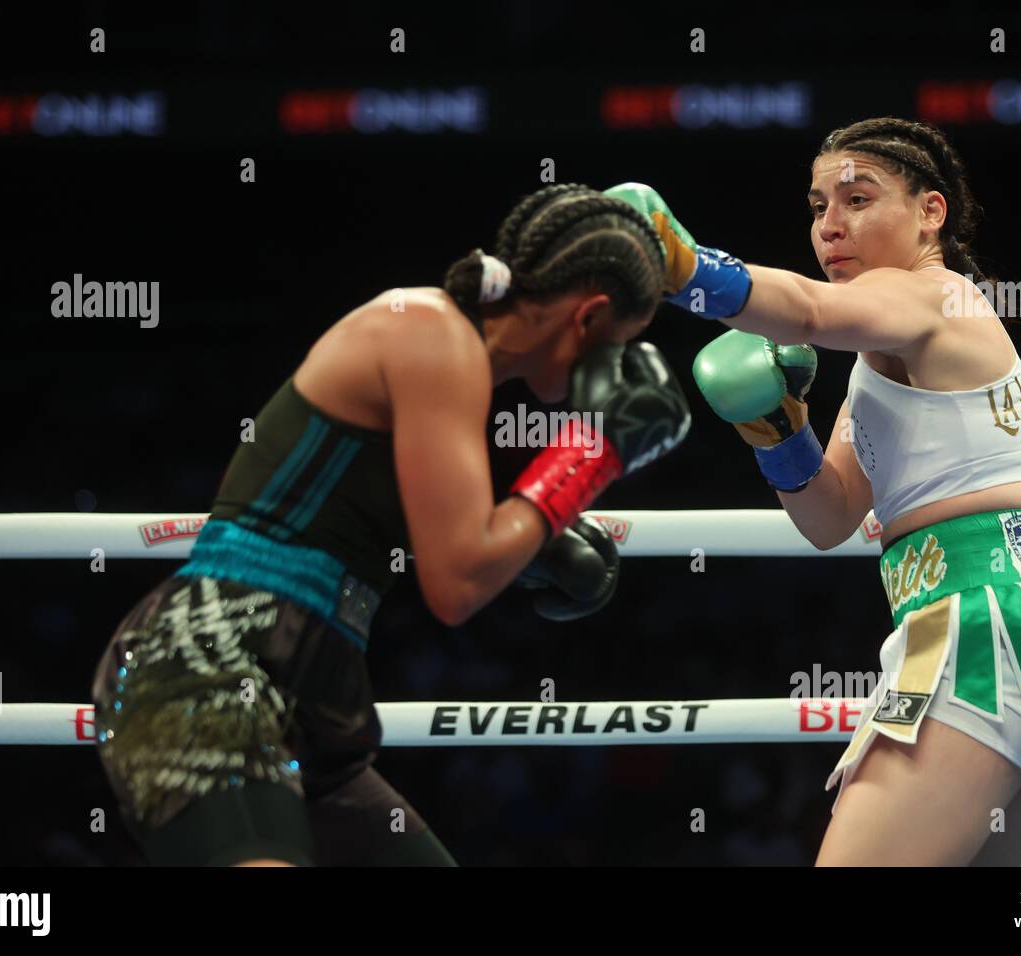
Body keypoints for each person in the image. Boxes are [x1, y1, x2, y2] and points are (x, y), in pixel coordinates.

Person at [91, 183, 691, 866]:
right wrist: (594, 452)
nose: (610, 372)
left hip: (310, 706)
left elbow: (439, 541)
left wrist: (533, 547)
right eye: (618, 347)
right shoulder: (431, 336)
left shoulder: (451, 360)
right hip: (211, 670)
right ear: (589, 317)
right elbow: (457, 581)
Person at [608, 117, 1021, 866]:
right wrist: (778, 430)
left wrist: (681, 266)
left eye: (856, 198)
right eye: (817, 208)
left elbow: (807, 312)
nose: (831, 226)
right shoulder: (885, 357)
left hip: (989, 623)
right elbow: (831, 514)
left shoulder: (932, 297)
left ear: (929, 213)